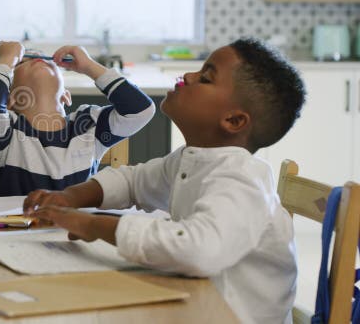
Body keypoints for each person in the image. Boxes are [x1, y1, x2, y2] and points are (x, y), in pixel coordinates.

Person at [23, 37, 306, 324]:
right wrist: (71, 197)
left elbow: (197, 250)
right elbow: (133, 182)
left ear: (233, 121)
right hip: (195, 305)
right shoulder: (192, 159)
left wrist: (92, 224)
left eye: (205, 78)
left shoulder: (242, 180)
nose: (188, 76)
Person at [0, 41, 154, 196]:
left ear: (66, 96)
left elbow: (140, 110)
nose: (38, 59)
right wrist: (6, 60)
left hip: (75, 231)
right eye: (22, 63)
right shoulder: (7, 132)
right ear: (11, 100)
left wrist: (89, 66)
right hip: (17, 231)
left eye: (46, 60)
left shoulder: (89, 124)